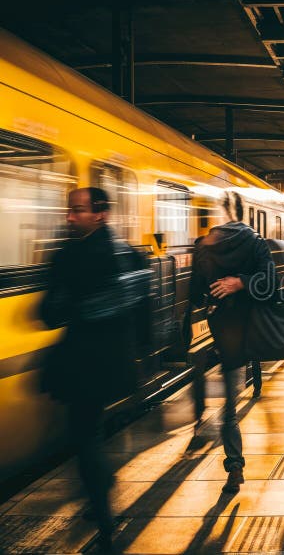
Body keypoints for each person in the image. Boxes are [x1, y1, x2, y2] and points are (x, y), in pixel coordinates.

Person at [39, 187, 147, 552]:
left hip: (82, 366)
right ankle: (101, 491)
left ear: (99, 213)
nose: (70, 217)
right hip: (116, 365)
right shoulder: (128, 254)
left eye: (76, 211)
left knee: (84, 437)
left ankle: (103, 516)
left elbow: (49, 315)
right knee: (93, 431)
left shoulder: (69, 256)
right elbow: (144, 311)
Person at [190, 191, 276, 495]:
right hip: (246, 330)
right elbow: (270, 283)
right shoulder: (255, 242)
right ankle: (234, 464)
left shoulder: (204, 246)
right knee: (230, 405)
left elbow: (197, 292)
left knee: (214, 392)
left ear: (219, 212)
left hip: (218, 331)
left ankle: (205, 431)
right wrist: (242, 282)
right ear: (241, 211)